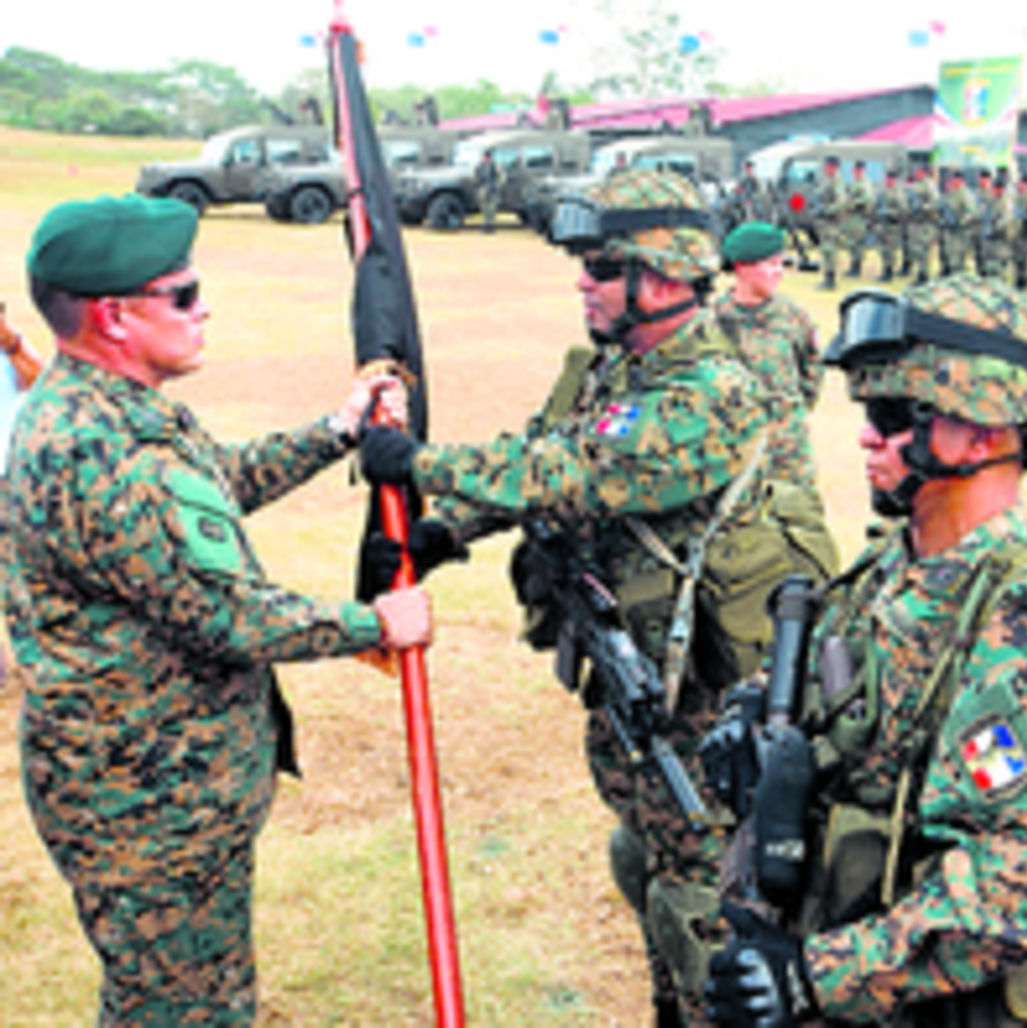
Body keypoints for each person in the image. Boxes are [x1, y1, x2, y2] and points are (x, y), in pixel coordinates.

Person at [357, 168, 837, 1025]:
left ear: (654, 280)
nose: (582, 282)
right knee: (646, 862)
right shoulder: (611, 371)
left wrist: (421, 465)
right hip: (633, 682)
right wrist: (447, 529)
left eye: (598, 266)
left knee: (700, 892)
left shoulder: (713, 391)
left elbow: (579, 472)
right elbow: (540, 453)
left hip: (703, 710)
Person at [7, 193, 433, 1025]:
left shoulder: (101, 406)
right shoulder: (108, 455)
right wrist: (377, 624)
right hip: (146, 809)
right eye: (184, 294)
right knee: (178, 1011)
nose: (205, 311)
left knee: (189, 1001)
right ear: (114, 316)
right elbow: (233, 614)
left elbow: (216, 489)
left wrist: (338, 430)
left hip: (158, 793)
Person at [703, 272, 1027, 1026]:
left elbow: (1025, 887)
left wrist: (813, 979)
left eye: (893, 414)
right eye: (868, 411)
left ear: (986, 432)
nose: (866, 434)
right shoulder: (892, 566)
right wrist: (754, 713)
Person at [713, 221, 833, 505]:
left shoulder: (794, 316)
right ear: (741, 266)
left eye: (781, 263)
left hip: (788, 454)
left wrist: (788, 417)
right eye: (770, 264)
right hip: (732, 451)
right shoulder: (712, 320)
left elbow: (812, 372)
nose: (779, 272)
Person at [1, 302, 45, 688]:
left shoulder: (13, 350)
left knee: (19, 577)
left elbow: (40, 382)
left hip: (9, 480)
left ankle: (34, 663)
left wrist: (11, 343)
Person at [813, 156, 847, 290]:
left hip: (831, 221)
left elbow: (841, 201)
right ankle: (827, 277)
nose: (825, 168)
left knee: (830, 249)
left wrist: (827, 210)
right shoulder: (826, 180)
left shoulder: (836, 181)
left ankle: (830, 279)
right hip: (824, 221)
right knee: (825, 249)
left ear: (833, 167)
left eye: (827, 166)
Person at [873, 166, 907, 282]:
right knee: (883, 249)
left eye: (890, 179)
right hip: (882, 225)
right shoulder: (882, 191)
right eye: (887, 178)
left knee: (890, 250)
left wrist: (890, 212)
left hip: (893, 225)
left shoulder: (898, 193)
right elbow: (875, 206)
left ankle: (889, 272)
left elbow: (903, 210)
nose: (888, 181)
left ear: (895, 180)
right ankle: (885, 270)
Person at [842, 160, 874, 279]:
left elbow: (867, 199)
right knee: (851, 243)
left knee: (856, 243)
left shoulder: (865, 183)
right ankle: (852, 267)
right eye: (854, 170)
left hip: (859, 216)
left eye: (858, 170)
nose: (856, 172)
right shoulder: (854, 182)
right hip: (851, 217)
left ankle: (856, 269)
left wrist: (853, 203)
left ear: (862, 170)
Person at [474, 148, 505, 232]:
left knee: (492, 208)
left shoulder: (494, 165)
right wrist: (479, 184)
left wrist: (497, 185)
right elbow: (475, 176)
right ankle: (485, 225)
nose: (486, 158)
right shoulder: (479, 165)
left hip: (492, 189)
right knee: (484, 208)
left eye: (487, 156)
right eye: (485, 156)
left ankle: (491, 226)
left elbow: (502, 176)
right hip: (483, 189)